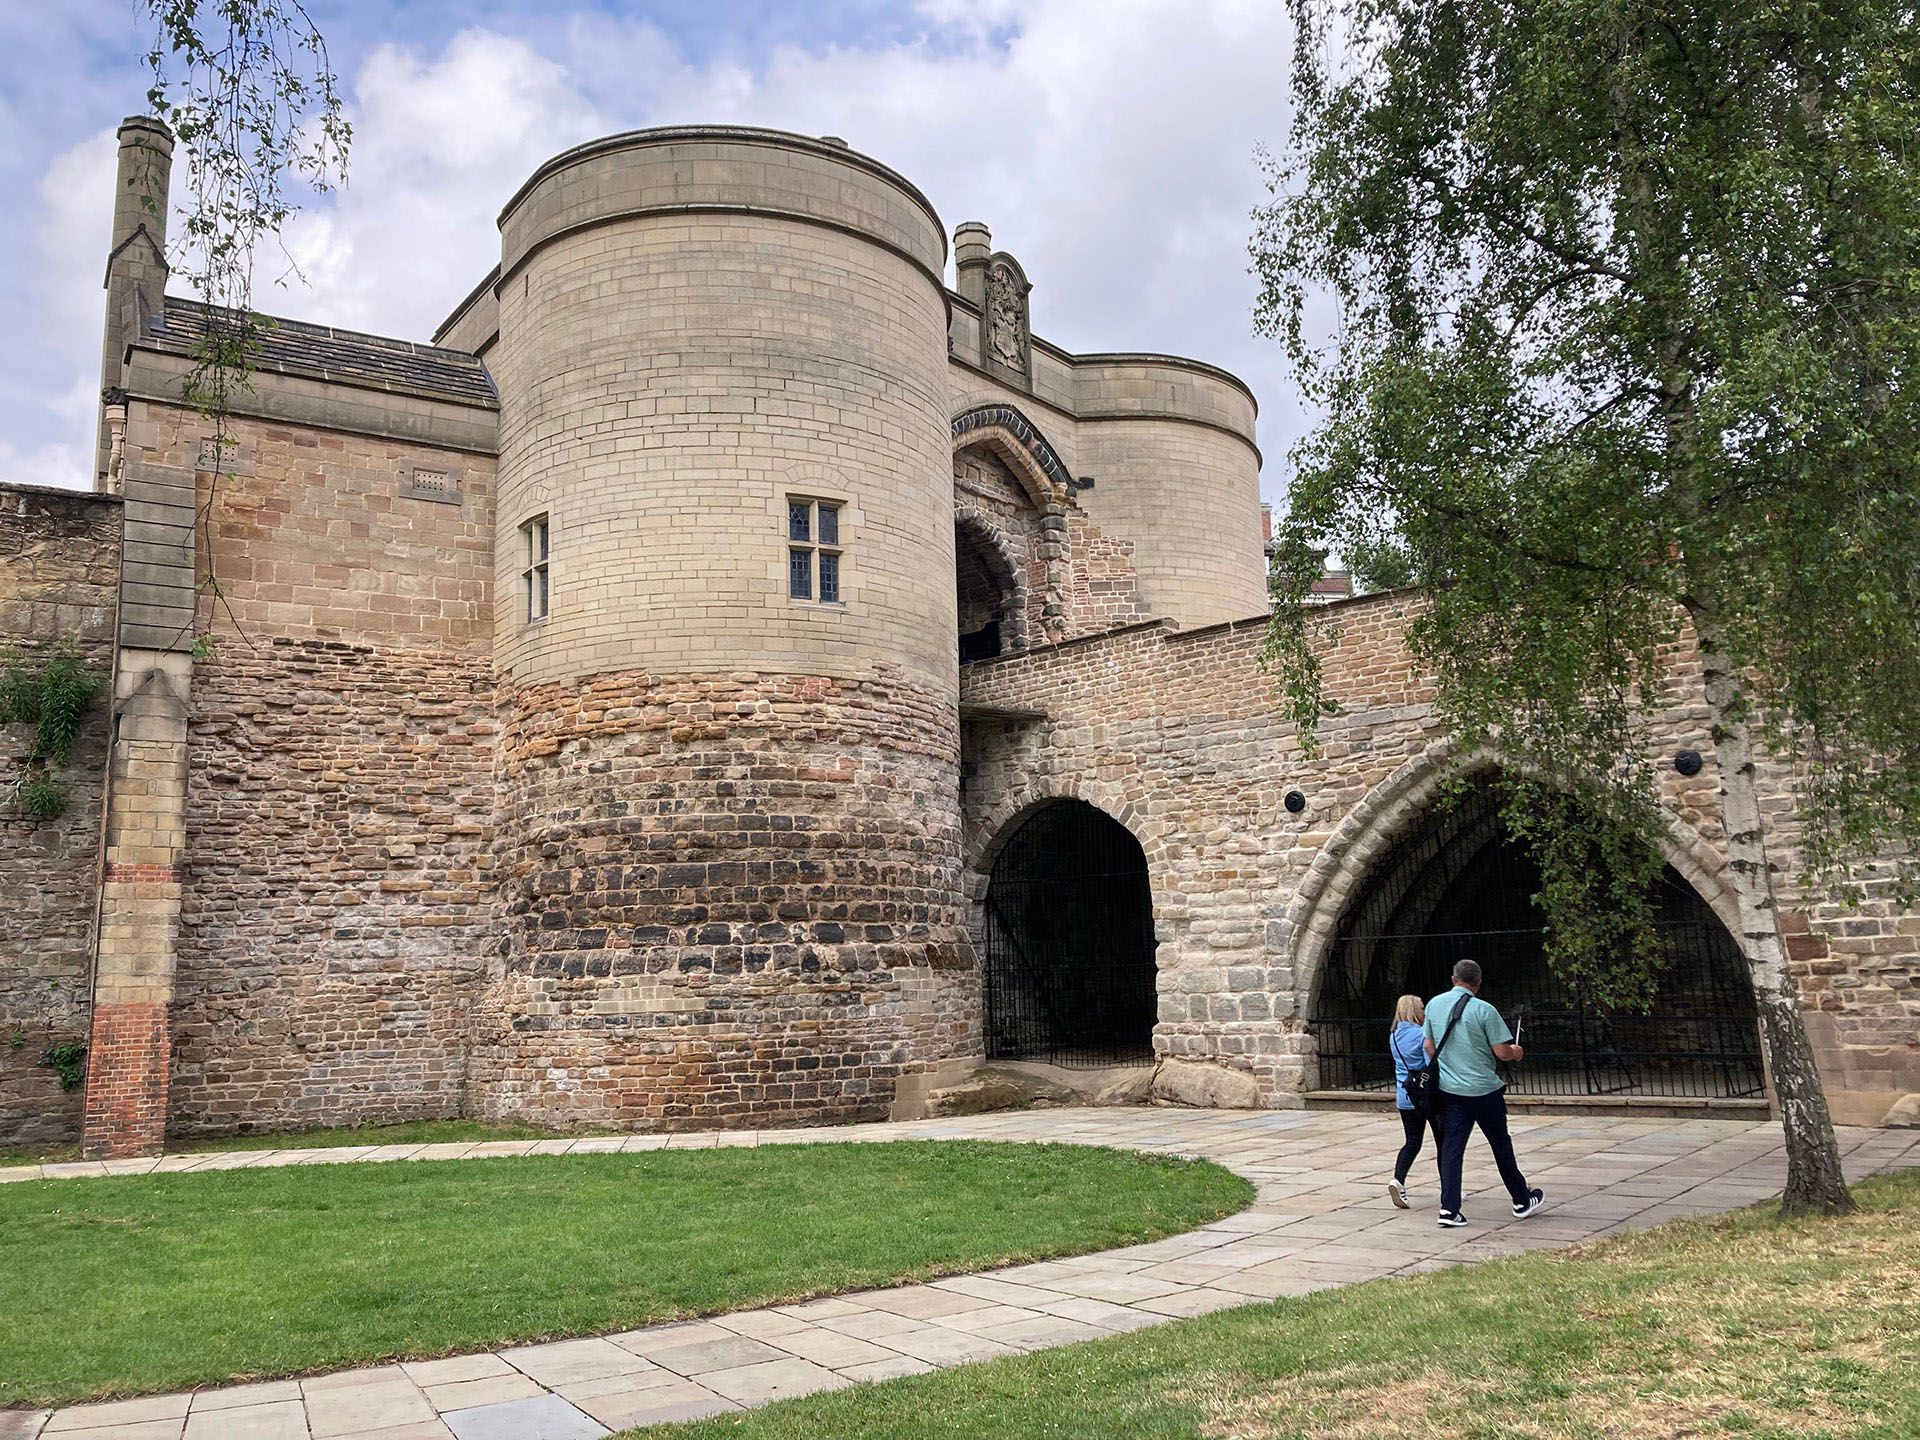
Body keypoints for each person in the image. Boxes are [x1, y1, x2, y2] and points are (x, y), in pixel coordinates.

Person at [1424, 958, 1544, 1228]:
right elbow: (1501, 1052)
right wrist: (1516, 1052)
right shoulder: (1484, 1010)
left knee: (1452, 1148)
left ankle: (1449, 1209)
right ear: (1478, 983)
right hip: (1483, 1090)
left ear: (1453, 979)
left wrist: (1450, 1065)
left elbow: (1429, 1047)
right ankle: (1521, 1199)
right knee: (1500, 1143)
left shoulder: (1433, 1005)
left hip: (1450, 1089)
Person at [1387, 993, 1441, 1209]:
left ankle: (1398, 1179)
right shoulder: (1421, 1035)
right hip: (1426, 1096)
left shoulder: (1394, 1035)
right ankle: (1449, 1186)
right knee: (1442, 1142)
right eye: (1421, 1008)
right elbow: (1430, 1064)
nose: (1424, 1012)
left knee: (1412, 1141)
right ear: (1413, 1011)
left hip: (1405, 1095)